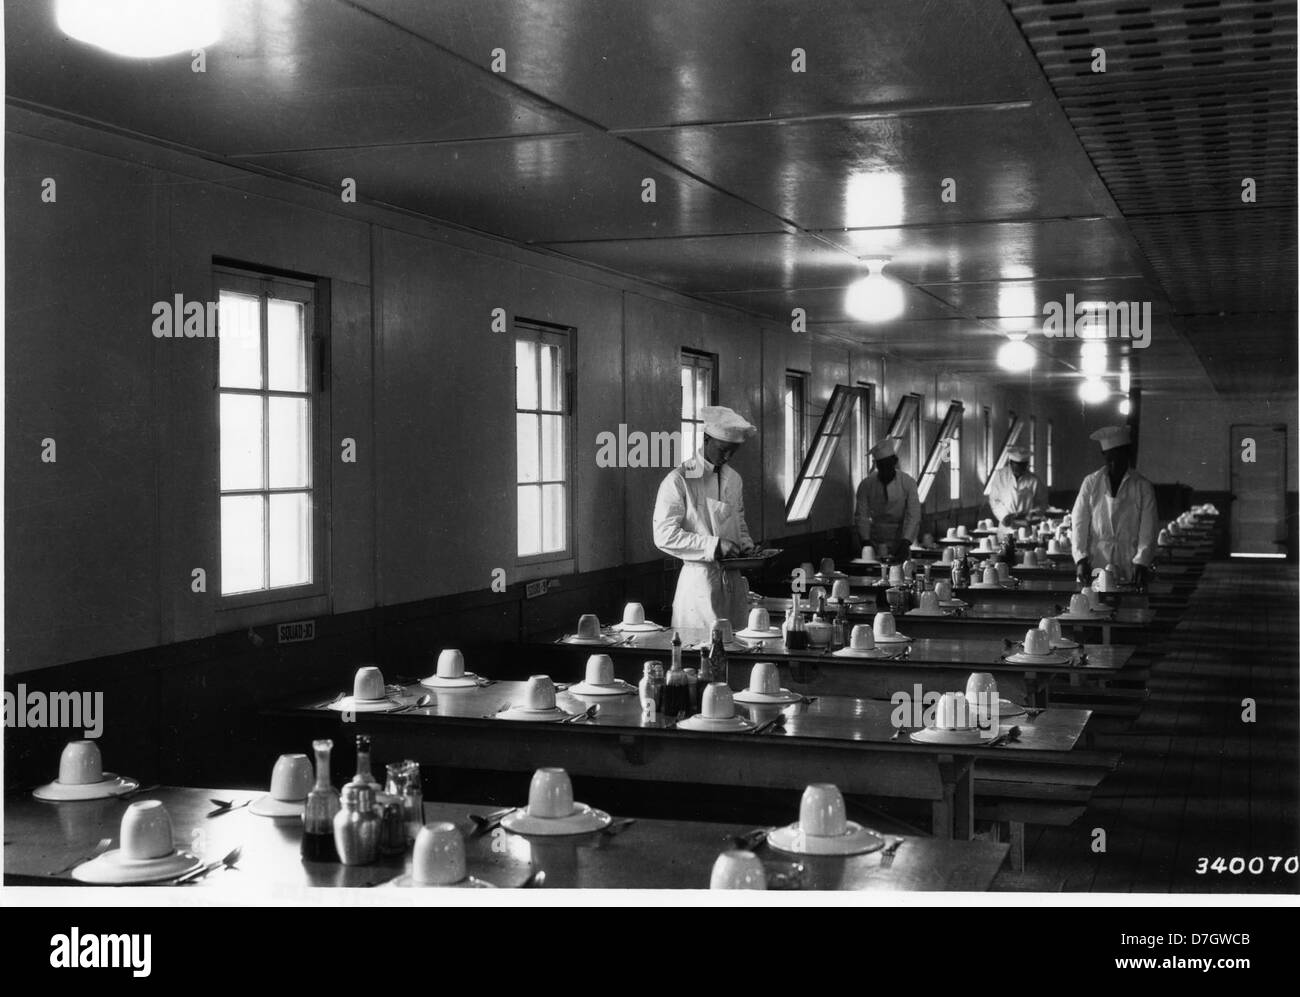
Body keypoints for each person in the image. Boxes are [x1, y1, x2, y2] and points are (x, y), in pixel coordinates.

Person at [653, 405, 758, 629]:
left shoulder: (734, 479)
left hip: (733, 583)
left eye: (734, 450)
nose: (728, 456)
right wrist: (715, 545)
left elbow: (737, 520)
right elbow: (664, 535)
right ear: (706, 439)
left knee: (737, 648)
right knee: (700, 652)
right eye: (723, 450)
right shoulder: (680, 479)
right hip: (699, 584)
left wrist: (747, 547)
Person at [1070, 425, 1158, 589]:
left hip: (1130, 560)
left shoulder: (1142, 486)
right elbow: (1079, 522)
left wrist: (1142, 561)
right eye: (1109, 460)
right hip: (1096, 561)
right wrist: (1080, 559)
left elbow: (1149, 528)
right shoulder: (1091, 483)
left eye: (1119, 460)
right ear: (1103, 456)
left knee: (1128, 608)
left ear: (1128, 456)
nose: (1114, 465)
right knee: (1093, 606)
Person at [853, 437, 920, 562]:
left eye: (888, 466)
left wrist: (906, 542)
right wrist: (866, 541)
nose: (885, 471)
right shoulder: (866, 485)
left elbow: (914, 515)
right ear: (877, 465)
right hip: (874, 541)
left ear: (894, 462)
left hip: (901, 539)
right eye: (881, 467)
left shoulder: (908, 483)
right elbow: (861, 516)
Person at [984, 445, 1044, 526]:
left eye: (1022, 468)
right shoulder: (1000, 476)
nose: (1018, 472)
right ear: (1010, 464)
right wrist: (1005, 516)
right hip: (1006, 524)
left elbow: (1041, 503)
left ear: (1026, 465)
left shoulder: (1034, 480)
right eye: (1015, 468)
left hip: (1026, 525)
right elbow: (994, 500)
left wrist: (1032, 514)